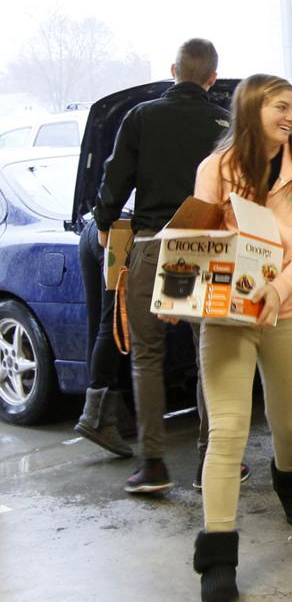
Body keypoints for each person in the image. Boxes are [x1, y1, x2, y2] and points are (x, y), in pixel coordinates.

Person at [189, 74, 292, 602]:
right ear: (252, 109)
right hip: (227, 318)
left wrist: (280, 287)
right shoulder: (217, 169)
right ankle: (218, 558)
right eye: (279, 106)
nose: (289, 116)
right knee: (227, 430)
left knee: (287, 423)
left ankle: (288, 479)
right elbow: (200, 236)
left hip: (289, 312)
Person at [92, 38, 229, 494]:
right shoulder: (225, 124)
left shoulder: (141, 117)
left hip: (153, 245)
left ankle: (153, 466)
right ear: (212, 77)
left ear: (174, 70)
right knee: (210, 354)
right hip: (208, 248)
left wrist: (104, 223)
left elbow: (114, 181)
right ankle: (213, 457)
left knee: (147, 357)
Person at [73, 218, 135, 457]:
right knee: (113, 324)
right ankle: (97, 419)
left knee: (100, 324)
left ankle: (115, 415)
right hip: (118, 230)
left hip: (93, 226)